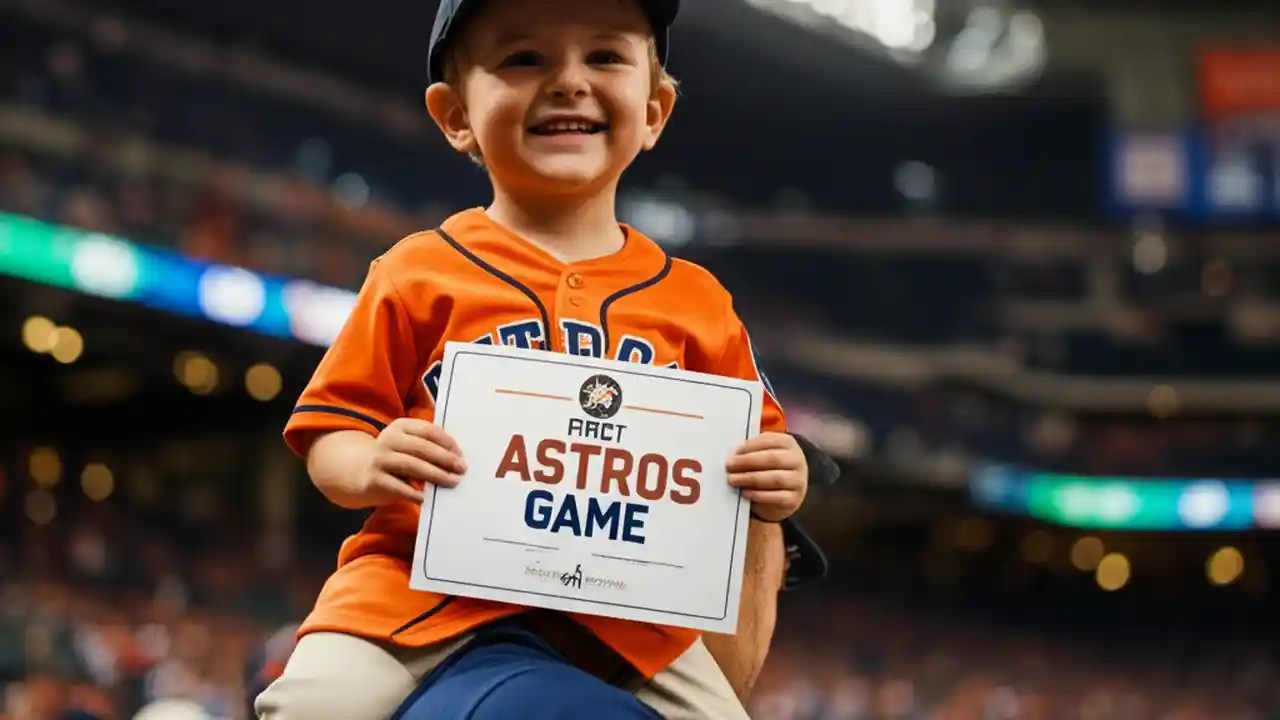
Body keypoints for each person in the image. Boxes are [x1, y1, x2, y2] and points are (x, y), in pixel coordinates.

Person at [254, 0, 814, 717]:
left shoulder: (698, 301)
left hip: (630, 616)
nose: (568, 81)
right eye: (524, 59)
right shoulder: (415, 270)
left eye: (605, 57)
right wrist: (367, 463)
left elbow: (759, 448)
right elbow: (330, 432)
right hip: (417, 594)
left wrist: (782, 474)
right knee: (311, 706)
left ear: (654, 110)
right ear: (455, 114)